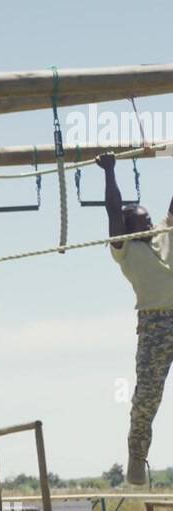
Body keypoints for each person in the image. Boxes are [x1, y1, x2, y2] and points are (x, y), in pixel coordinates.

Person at [98, 152, 173, 485]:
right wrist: (110, 172)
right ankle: (137, 455)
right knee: (147, 395)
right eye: (141, 221)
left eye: (149, 219)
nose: (148, 224)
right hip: (155, 325)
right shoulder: (124, 248)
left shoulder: (164, 233)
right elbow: (114, 210)